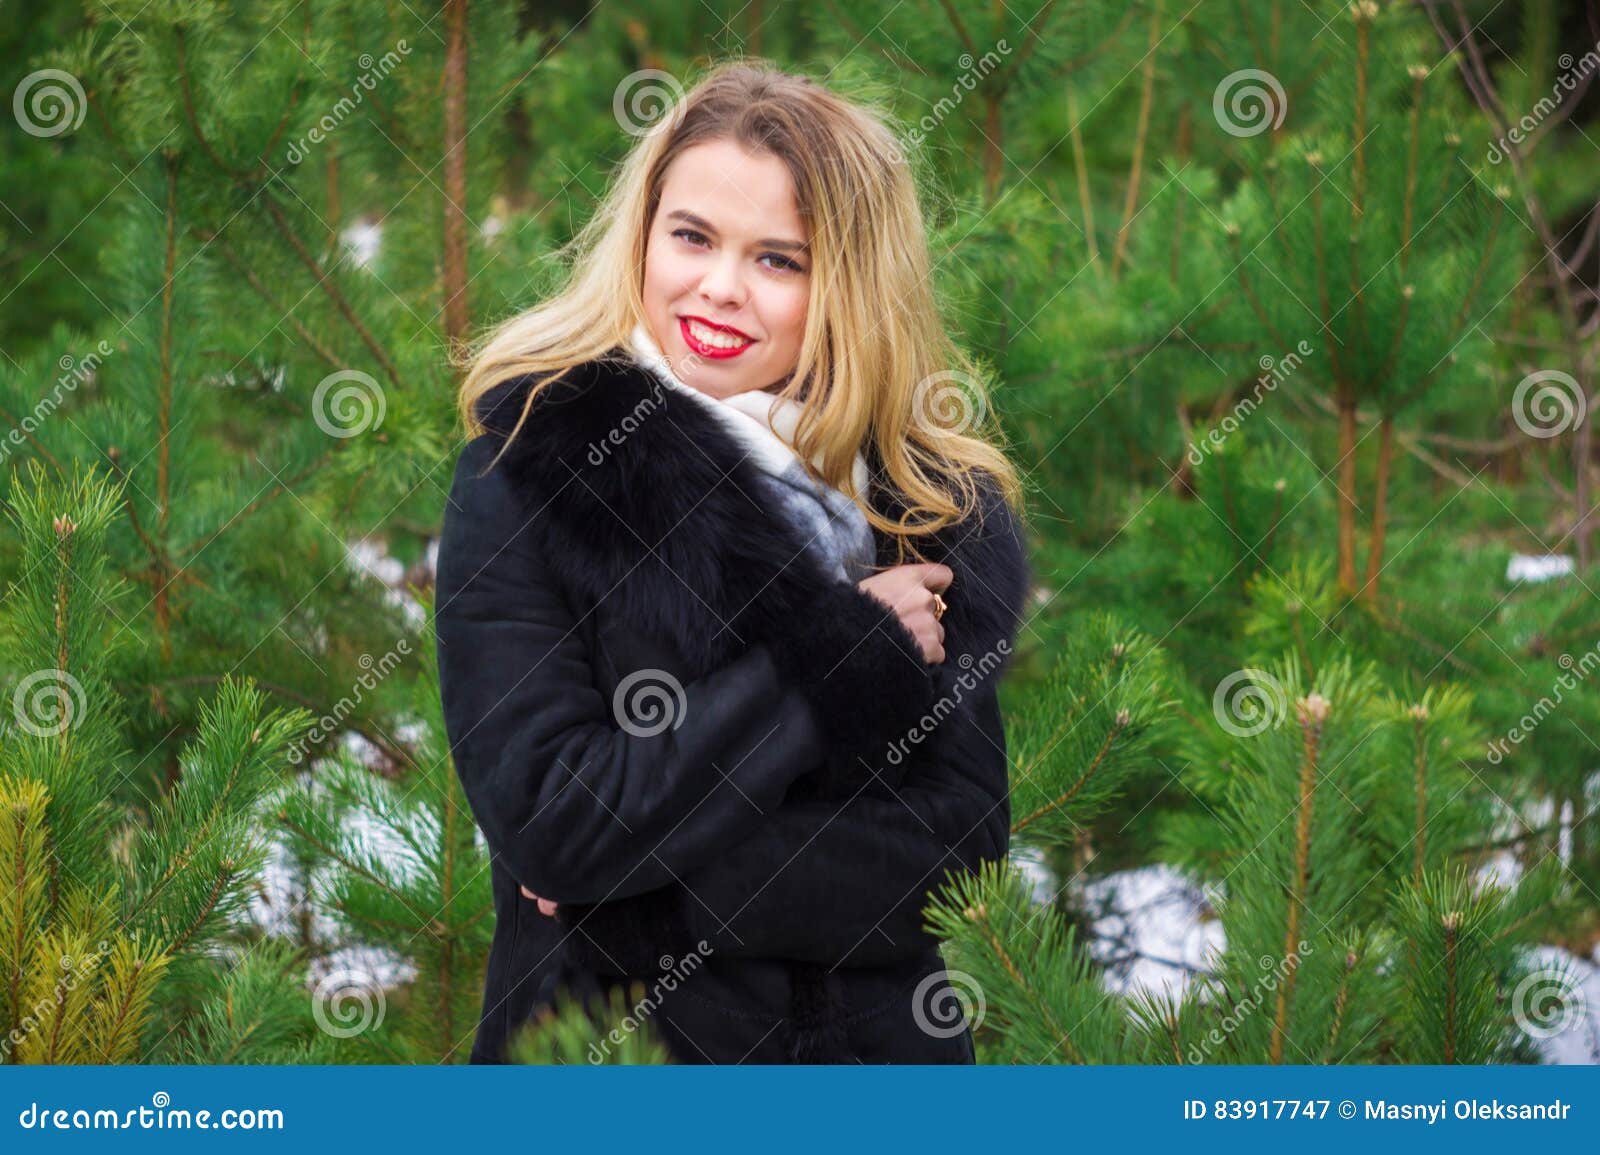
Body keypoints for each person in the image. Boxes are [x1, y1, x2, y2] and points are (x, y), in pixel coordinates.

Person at [435, 59, 1031, 1065]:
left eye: (778, 261)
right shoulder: (534, 463)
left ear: (850, 280)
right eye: (692, 237)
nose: (718, 287)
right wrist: (840, 660)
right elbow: (553, 820)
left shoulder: (926, 504)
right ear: (643, 235)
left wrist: (642, 901)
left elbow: (954, 859)